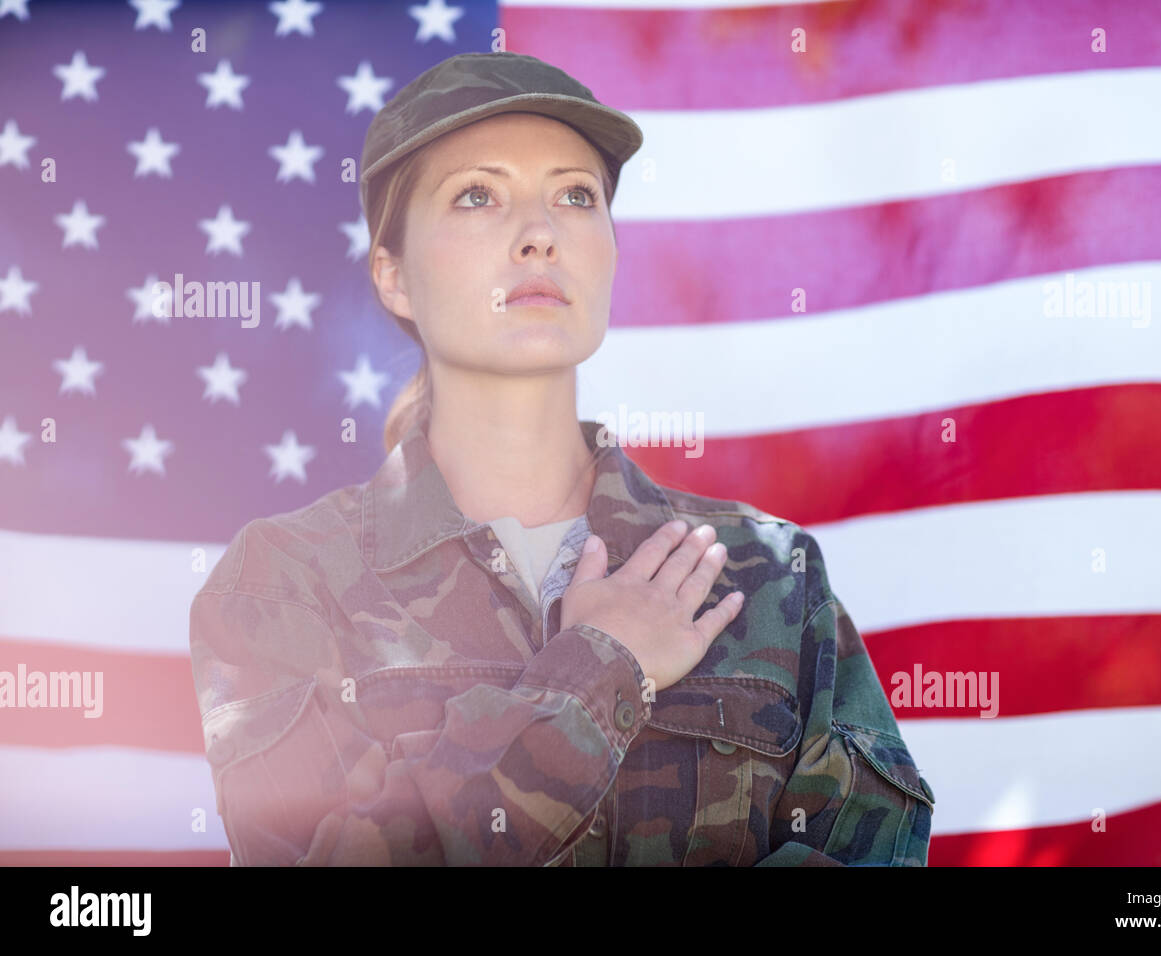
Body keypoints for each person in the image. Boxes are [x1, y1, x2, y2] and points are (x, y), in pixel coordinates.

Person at [188, 51, 935, 866]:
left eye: (576, 196)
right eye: (477, 195)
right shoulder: (286, 581)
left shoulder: (768, 574)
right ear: (393, 276)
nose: (540, 235)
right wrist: (598, 670)